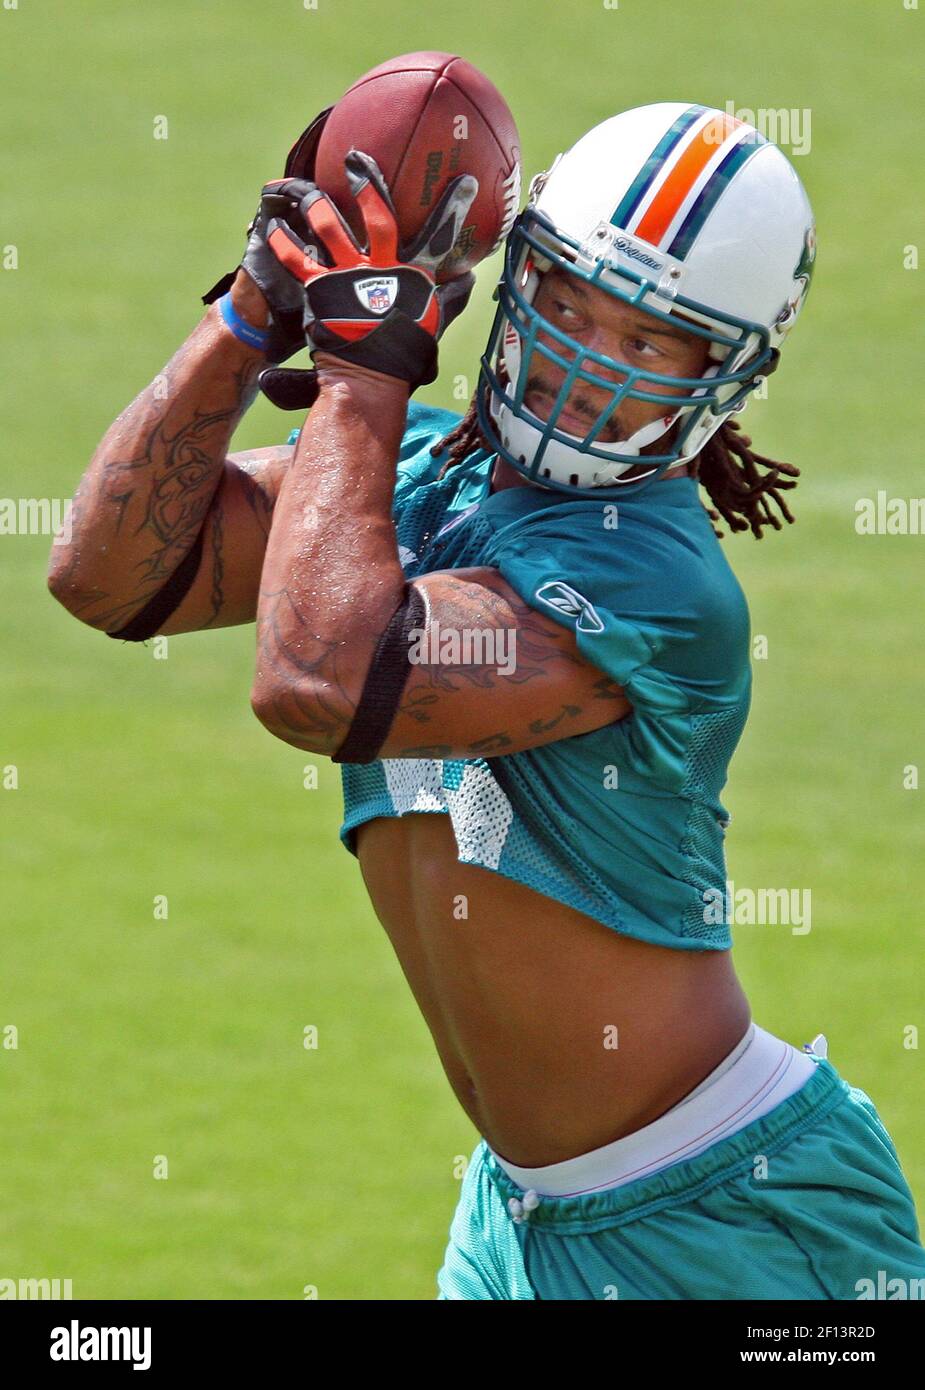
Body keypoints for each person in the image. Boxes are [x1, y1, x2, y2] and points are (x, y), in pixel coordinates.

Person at [48, 101, 925, 1300]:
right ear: (510, 282)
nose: (583, 359)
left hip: (732, 1217)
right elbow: (103, 576)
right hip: (516, 1219)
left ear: (721, 380)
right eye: (565, 302)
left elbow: (319, 681)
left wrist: (364, 370)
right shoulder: (405, 467)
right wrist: (256, 307)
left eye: (649, 340)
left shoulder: (657, 576)